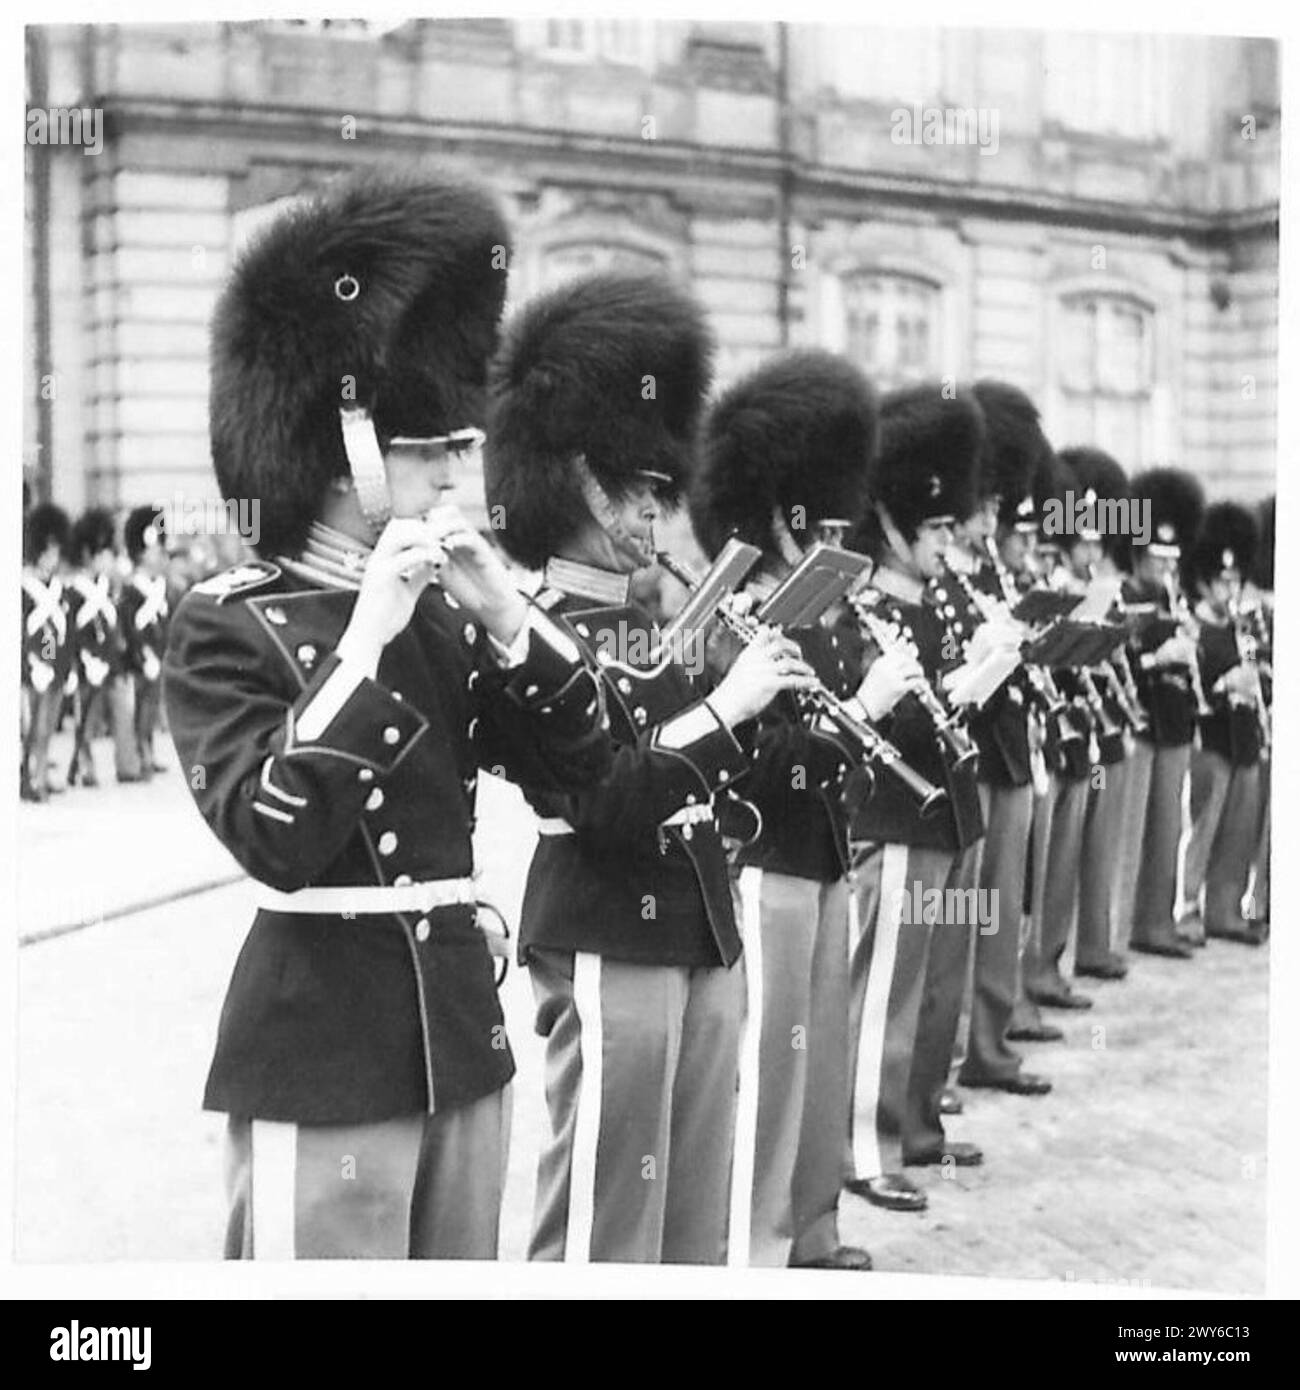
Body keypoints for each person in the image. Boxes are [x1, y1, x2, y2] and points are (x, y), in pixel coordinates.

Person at [163, 170, 613, 1261]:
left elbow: (585, 769)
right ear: (352, 452)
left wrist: (508, 613)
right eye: (440, 451)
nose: (469, 470)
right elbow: (274, 837)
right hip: (323, 1052)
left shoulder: (448, 611)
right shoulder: (228, 622)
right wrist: (365, 636)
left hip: (456, 1038)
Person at [485, 272, 819, 1266]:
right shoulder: (534, 632)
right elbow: (605, 799)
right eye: (637, 485)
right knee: (604, 1213)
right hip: (605, 925)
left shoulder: (652, 627)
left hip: (699, 928)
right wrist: (726, 706)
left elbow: (723, 783)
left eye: (661, 486)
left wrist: (770, 704)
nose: (653, 507)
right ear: (577, 478)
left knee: (686, 1219)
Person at [692, 348, 916, 1257]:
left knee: (819, 1056)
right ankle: (759, 1248)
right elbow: (748, 756)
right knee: (772, 1066)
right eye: (823, 519)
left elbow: (828, 755)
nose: (838, 535)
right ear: (785, 518)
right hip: (766, 860)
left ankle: (814, 1230)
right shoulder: (727, 616)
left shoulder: (813, 615)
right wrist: (863, 712)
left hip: (823, 851)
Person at [845, 384, 988, 1192]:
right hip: (898, 818)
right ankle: (868, 1148)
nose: (947, 538)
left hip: (948, 818)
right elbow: (870, 723)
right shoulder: (867, 605)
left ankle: (921, 1124)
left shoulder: (938, 601)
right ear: (894, 522)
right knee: (886, 996)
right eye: (933, 526)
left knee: (936, 989)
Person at [943, 382, 1054, 1098]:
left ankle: (989, 1039)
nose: (994, 518)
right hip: (972, 751)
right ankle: (948, 1054)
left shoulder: (993, 574)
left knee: (1001, 906)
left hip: (1010, 751)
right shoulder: (949, 577)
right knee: (958, 919)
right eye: (985, 506)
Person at [1123, 468, 1205, 960]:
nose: (1166, 567)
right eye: (1158, 556)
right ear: (1139, 553)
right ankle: (1130, 924)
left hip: (1175, 721)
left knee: (1167, 829)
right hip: (1144, 720)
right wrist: (1159, 657)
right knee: (1138, 831)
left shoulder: (1172, 598)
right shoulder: (1128, 598)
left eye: (1172, 558)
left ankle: (1157, 920)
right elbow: (1127, 661)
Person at [1178, 503, 1267, 946]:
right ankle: (1188, 906)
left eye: (1235, 580)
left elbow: (1256, 666)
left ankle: (1225, 909)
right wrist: (1222, 684)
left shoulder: (1243, 625)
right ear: (1204, 579)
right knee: (1204, 826)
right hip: (1210, 738)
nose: (1229, 588)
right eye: (1222, 581)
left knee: (1238, 827)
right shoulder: (1193, 624)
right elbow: (1192, 686)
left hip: (1244, 736)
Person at [66, 506, 136, 786]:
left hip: (112, 659)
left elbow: (115, 625)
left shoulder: (110, 587)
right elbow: (73, 630)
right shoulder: (75, 589)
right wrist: (85, 658)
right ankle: (85, 766)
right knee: (87, 719)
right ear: (88, 554)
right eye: (103, 552)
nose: (109, 557)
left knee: (123, 714)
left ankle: (127, 765)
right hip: (87, 662)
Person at [20, 502, 72, 802]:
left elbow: (66, 633)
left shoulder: (58, 588)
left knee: (47, 727)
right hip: (33, 667)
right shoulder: (25, 588)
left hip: (55, 665)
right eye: (50, 551)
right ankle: (31, 778)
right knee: (33, 729)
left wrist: (68, 668)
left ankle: (39, 774)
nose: (54, 558)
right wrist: (32, 662)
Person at [119, 505, 171, 780]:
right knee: (140, 708)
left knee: (151, 707)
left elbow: (163, 624)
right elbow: (130, 628)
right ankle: (140, 754)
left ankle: (149, 748)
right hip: (139, 659)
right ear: (141, 554)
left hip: (157, 655)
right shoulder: (132, 589)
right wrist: (144, 655)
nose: (160, 556)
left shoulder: (159, 587)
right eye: (155, 551)